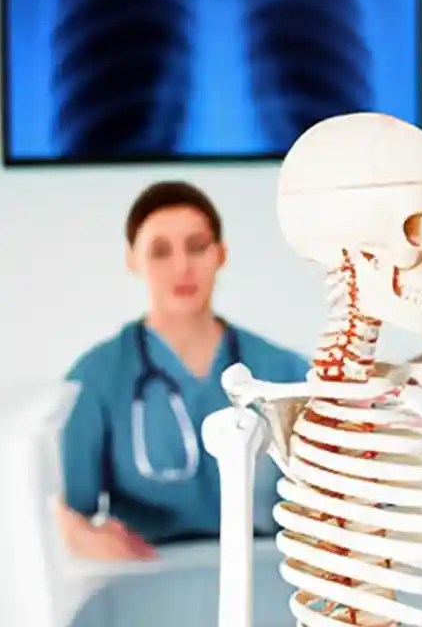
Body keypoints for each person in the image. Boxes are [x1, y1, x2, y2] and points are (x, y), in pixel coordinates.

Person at [59, 181, 310, 560]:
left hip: (269, 574)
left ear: (221, 254)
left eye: (198, 247)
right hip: (150, 580)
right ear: (132, 260)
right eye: (160, 251)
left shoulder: (285, 370)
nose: (182, 267)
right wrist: (76, 534)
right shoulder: (95, 379)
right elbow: (70, 513)